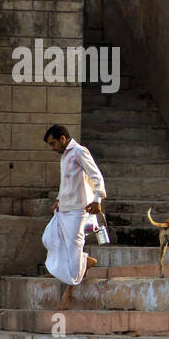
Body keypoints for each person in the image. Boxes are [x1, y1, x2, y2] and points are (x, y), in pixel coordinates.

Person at [41, 124, 107, 310]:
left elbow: (96, 176)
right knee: (49, 238)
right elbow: (66, 183)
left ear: (63, 138)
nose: (52, 148)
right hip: (64, 208)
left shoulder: (79, 152)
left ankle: (69, 291)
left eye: (53, 143)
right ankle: (84, 262)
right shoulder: (65, 156)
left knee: (73, 249)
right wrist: (58, 199)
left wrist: (97, 199)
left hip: (79, 210)